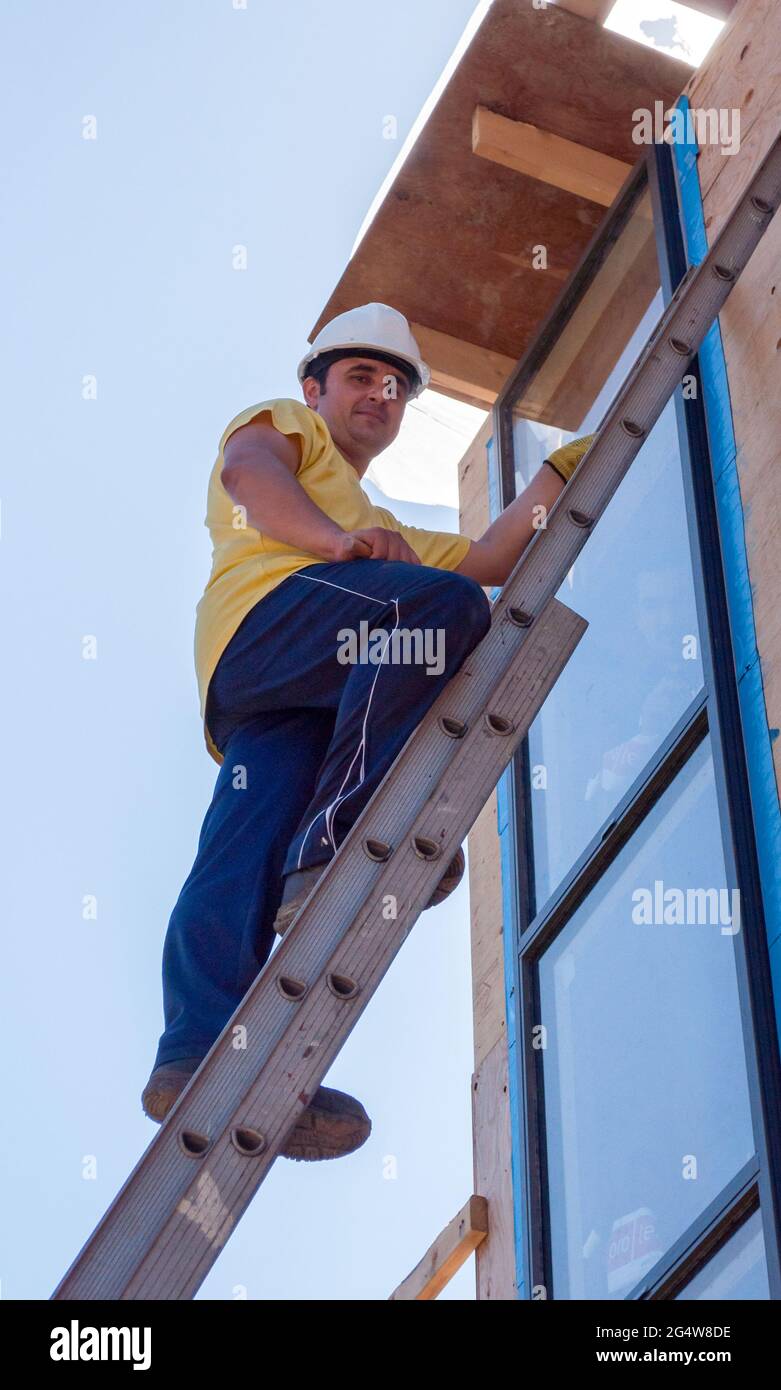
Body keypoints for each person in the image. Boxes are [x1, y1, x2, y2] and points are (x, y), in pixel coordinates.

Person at [141, 302, 593, 1160]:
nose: (380, 396)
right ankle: (339, 835)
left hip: (292, 693)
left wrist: (563, 471)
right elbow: (248, 476)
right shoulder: (286, 428)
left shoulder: (388, 531)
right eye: (360, 377)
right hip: (267, 625)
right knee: (437, 608)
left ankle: (196, 1054)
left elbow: (492, 557)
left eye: (395, 389)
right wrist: (337, 541)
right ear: (314, 390)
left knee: (242, 846)